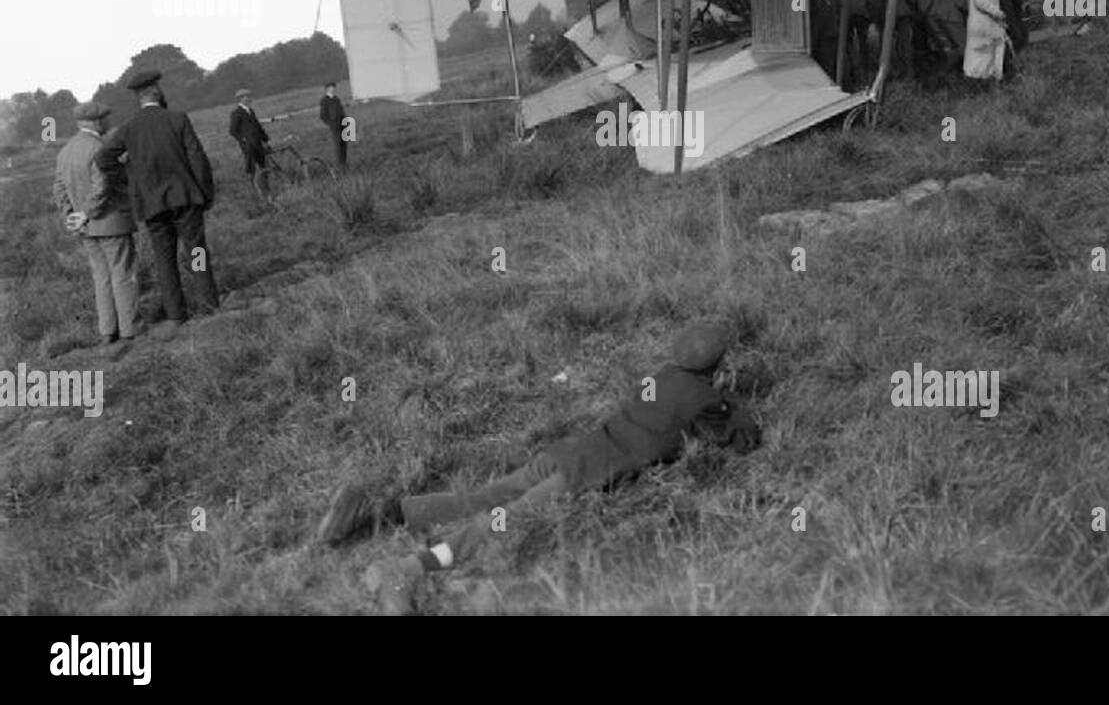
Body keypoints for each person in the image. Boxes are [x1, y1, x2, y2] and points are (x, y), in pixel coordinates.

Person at [316, 321, 761, 612]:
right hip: (589, 470)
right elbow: (742, 440)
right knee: (501, 521)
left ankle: (374, 512)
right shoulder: (703, 398)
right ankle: (408, 571)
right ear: (715, 364)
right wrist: (727, 401)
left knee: (484, 499)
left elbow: (648, 407)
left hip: (572, 449)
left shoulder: (660, 374)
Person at [96, 70, 217, 335]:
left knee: (165, 259)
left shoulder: (127, 129)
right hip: (185, 198)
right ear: (154, 91)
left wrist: (130, 178)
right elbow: (198, 159)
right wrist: (205, 193)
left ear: (138, 97)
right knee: (196, 250)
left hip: (151, 205)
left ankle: (176, 314)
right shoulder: (177, 119)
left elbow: (103, 159)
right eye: (159, 88)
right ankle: (208, 303)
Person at [53, 101, 138, 347]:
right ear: (97, 122)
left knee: (101, 278)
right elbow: (103, 188)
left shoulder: (65, 151)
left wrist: (72, 216)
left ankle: (107, 331)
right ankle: (129, 329)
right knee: (122, 274)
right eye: (106, 118)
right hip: (110, 222)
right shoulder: (101, 148)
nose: (109, 122)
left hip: (85, 229)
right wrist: (88, 213)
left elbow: (59, 188)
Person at [835, 0, 874, 88]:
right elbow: (869, 1)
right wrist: (870, 16)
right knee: (863, 40)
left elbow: (837, 4)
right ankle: (865, 62)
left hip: (847, 17)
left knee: (848, 41)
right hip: (862, 16)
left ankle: (852, 62)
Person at [229, 89, 271, 194]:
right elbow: (232, 130)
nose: (247, 98)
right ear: (239, 100)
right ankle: (253, 189)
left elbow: (258, 126)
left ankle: (266, 187)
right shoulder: (236, 113)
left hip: (257, 143)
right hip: (248, 146)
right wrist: (243, 139)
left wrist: (265, 139)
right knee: (251, 167)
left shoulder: (251, 111)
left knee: (263, 165)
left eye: (248, 96)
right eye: (244, 97)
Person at [807, 0, 841, 81]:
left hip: (812, 36)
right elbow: (837, 9)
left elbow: (797, 16)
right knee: (828, 65)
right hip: (829, 33)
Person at [318, 82, 348, 170]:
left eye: (334, 87)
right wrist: (331, 123)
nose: (333, 89)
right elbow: (323, 115)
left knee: (344, 144)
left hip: (343, 124)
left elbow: (341, 110)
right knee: (337, 146)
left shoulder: (336, 99)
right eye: (331, 87)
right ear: (327, 89)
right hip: (334, 126)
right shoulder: (324, 100)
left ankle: (344, 163)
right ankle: (339, 166)